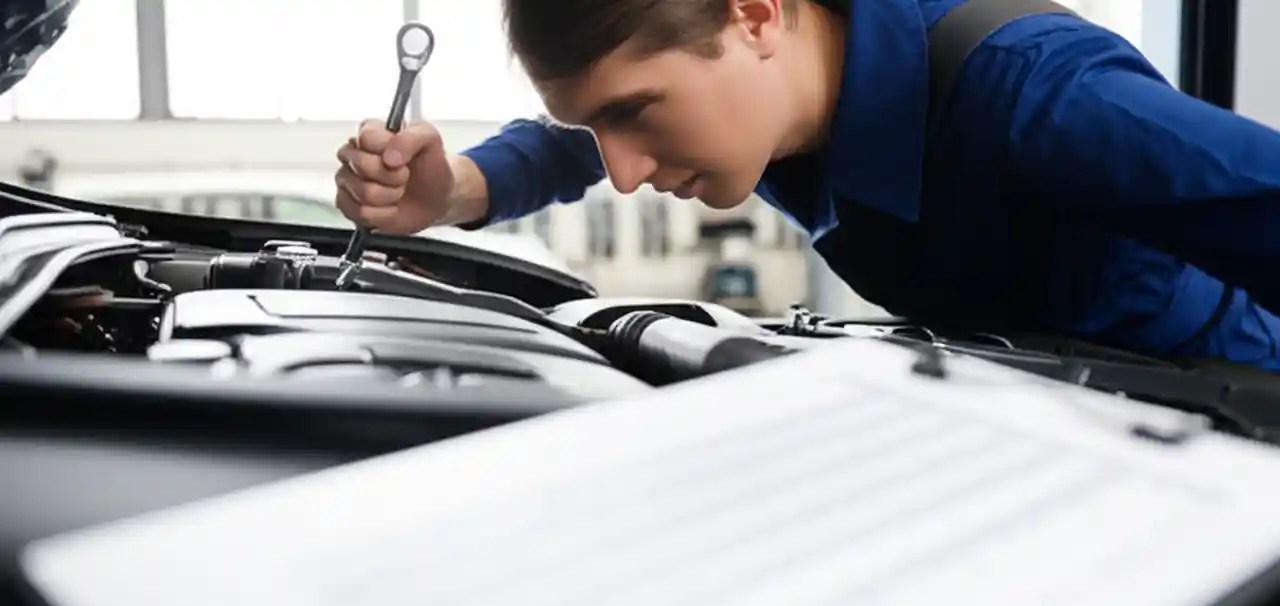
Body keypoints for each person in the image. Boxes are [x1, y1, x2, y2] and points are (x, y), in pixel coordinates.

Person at [333, 0, 1280, 370]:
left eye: (635, 113)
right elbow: (563, 147)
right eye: (599, 126)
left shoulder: (1043, 98)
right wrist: (452, 191)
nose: (621, 172)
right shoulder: (759, 101)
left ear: (754, 15)